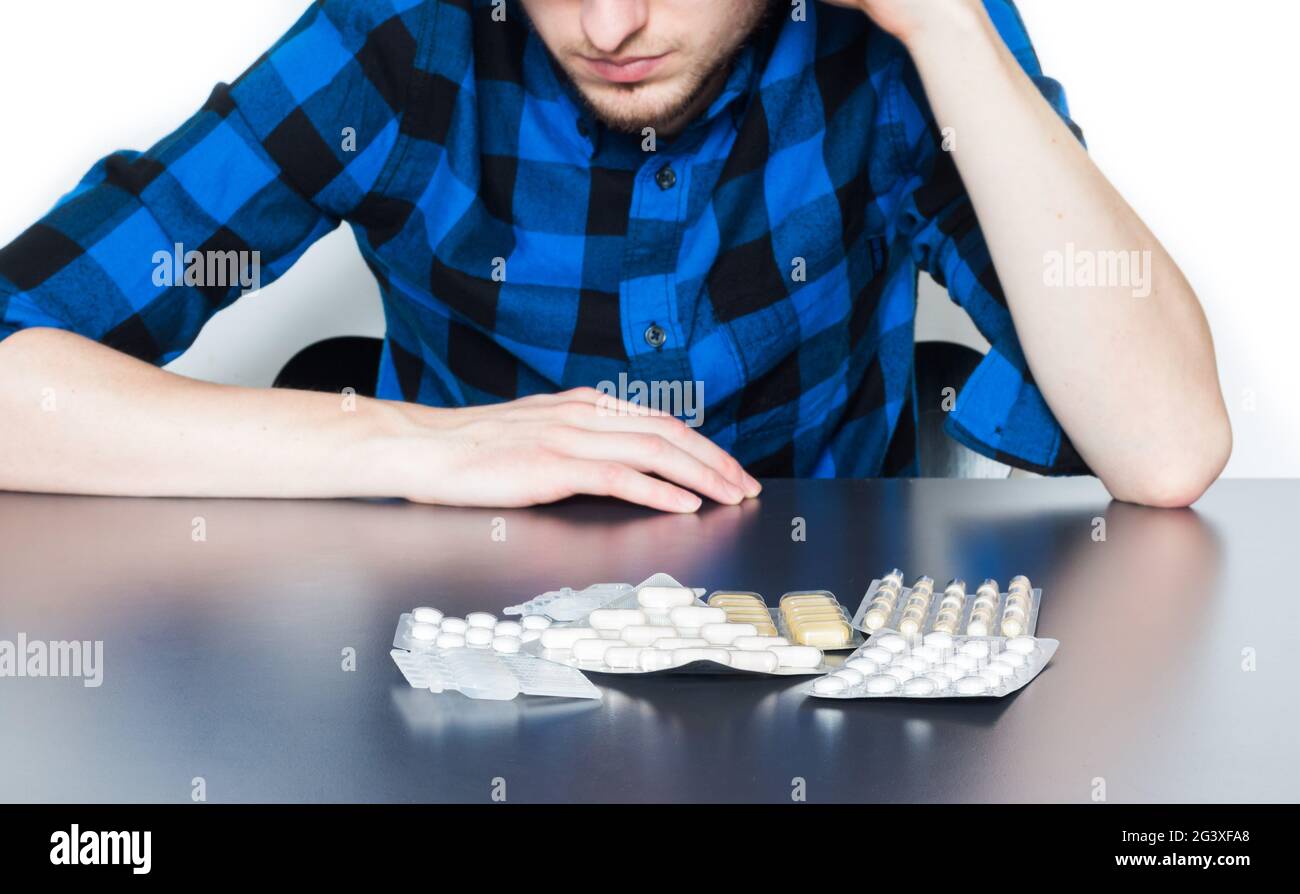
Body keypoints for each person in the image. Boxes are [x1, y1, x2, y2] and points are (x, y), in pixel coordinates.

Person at [0, 0, 1231, 511]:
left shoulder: (899, 54)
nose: (605, 26)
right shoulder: (406, 41)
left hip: (829, 687)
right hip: (455, 694)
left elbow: (1164, 445)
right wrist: (411, 445)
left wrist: (941, 23)